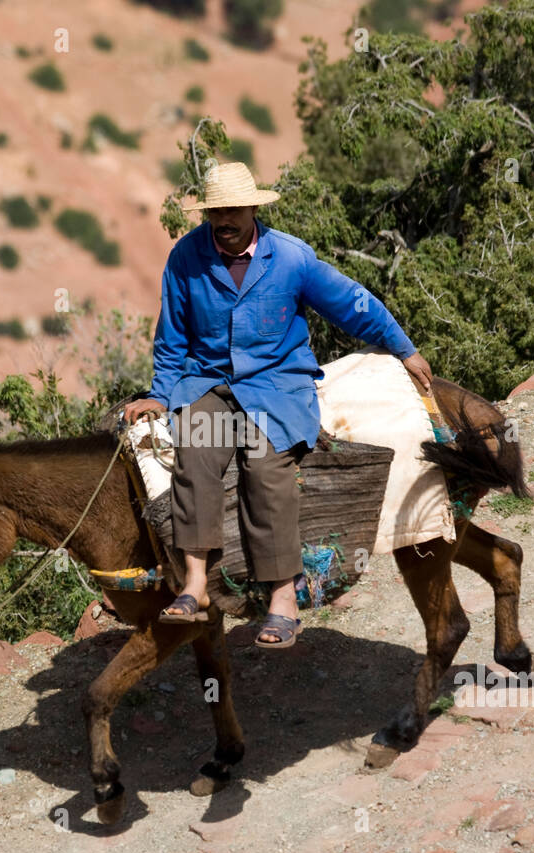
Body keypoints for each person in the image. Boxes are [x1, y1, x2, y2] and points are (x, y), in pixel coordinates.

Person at [124, 162, 433, 648]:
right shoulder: (186, 257)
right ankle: (196, 586)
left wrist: (403, 347)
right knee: (196, 453)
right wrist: (160, 395)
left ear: (252, 209)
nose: (223, 220)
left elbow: (351, 302)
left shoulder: (291, 257)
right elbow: (172, 337)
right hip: (207, 382)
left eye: (233, 210)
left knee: (265, 467)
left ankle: (283, 600)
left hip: (276, 385)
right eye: (215, 211)